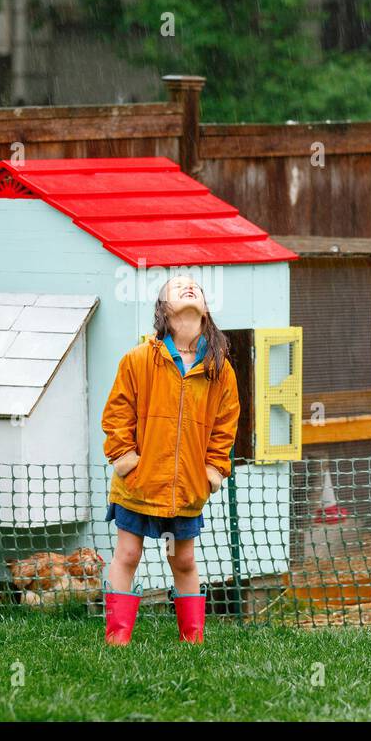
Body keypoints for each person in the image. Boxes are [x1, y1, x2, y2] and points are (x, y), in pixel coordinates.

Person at [99, 274, 241, 645]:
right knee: (127, 554)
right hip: (139, 482)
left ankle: (192, 641)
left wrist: (212, 470)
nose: (189, 287)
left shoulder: (220, 368)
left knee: (184, 561)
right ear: (163, 310)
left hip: (188, 486)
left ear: (205, 309)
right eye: (178, 287)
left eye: (195, 287)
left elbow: (226, 423)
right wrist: (125, 459)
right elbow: (117, 413)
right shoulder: (138, 360)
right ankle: (117, 639)